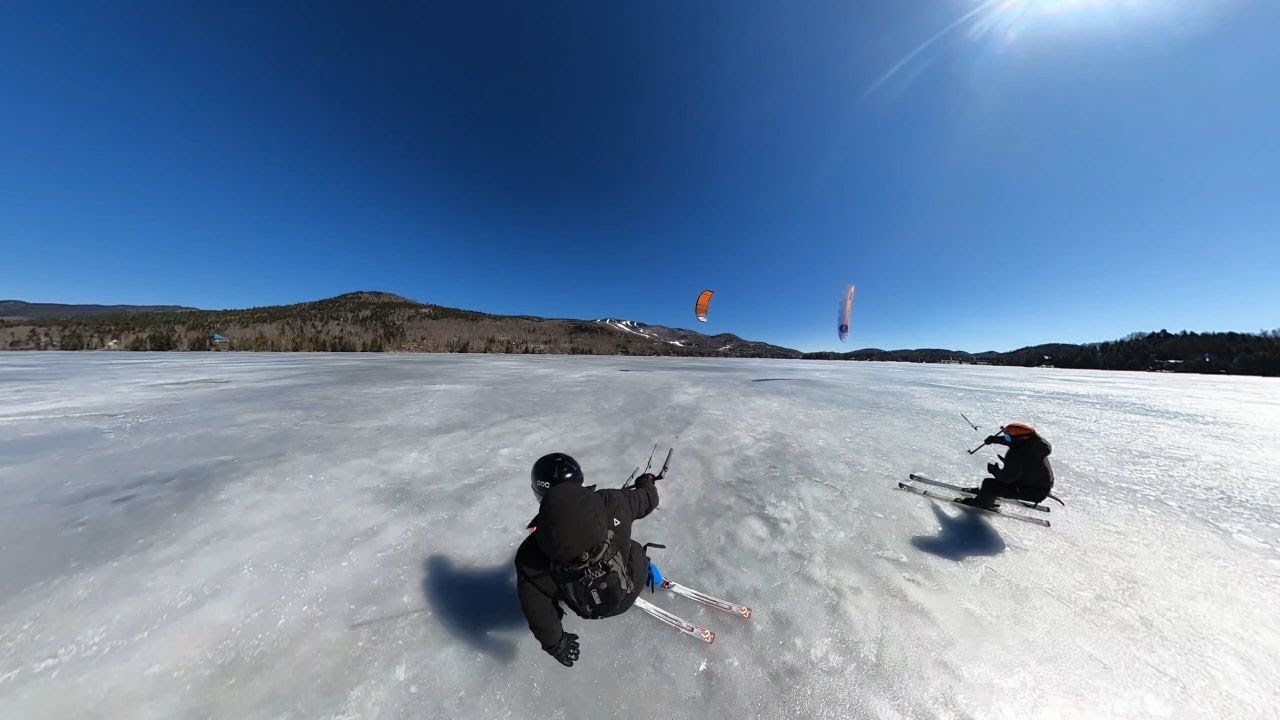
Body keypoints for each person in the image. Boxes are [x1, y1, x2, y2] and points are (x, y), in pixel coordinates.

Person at [514, 452, 661, 668]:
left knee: (542, 584)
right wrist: (646, 482)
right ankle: (646, 569)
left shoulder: (529, 554)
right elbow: (649, 499)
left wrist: (557, 645)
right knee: (635, 547)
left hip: (587, 609)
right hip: (630, 587)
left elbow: (536, 609)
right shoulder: (614, 501)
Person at [961, 423, 1054, 510]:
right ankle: (985, 494)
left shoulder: (1019, 455)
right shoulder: (1033, 444)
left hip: (1033, 492)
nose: (1006, 439)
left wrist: (995, 471)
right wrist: (995, 439)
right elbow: (1014, 441)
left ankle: (981, 503)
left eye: (1007, 437)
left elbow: (1006, 478)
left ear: (1019, 438)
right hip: (1039, 485)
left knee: (989, 485)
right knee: (994, 483)